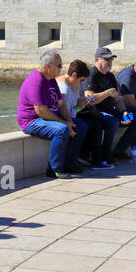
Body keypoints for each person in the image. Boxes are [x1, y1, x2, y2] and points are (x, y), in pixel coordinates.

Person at [18, 49, 88, 178]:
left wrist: (70, 122)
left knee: (81, 126)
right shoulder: (36, 81)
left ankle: (70, 164)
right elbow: (41, 111)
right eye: (59, 65)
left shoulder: (51, 80)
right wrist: (64, 123)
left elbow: (61, 105)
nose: (61, 69)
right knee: (61, 130)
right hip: (32, 120)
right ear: (48, 66)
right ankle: (54, 169)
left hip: (48, 117)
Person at [86, 47, 136, 161]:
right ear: (97, 59)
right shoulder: (91, 75)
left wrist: (124, 112)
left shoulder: (110, 76)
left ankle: (118, 151)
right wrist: (107, 93)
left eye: (111, 59)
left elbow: (117, 100)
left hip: (112, 111)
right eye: (106, 59)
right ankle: (105, 155)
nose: (110, 62)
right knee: (113, 121)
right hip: (96, 113)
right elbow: (89, 99)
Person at [57, 59, 116, 169]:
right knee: (95, 125)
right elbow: (67, 114)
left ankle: (89, 158)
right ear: (74, 75)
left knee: (94, 121)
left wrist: (80, 102)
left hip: (69, 116)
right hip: (66, 119)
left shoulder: (64, 83)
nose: (81, 83)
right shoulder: (64, 89)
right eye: (81, 80)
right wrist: (80, 107)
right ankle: (94, 161)